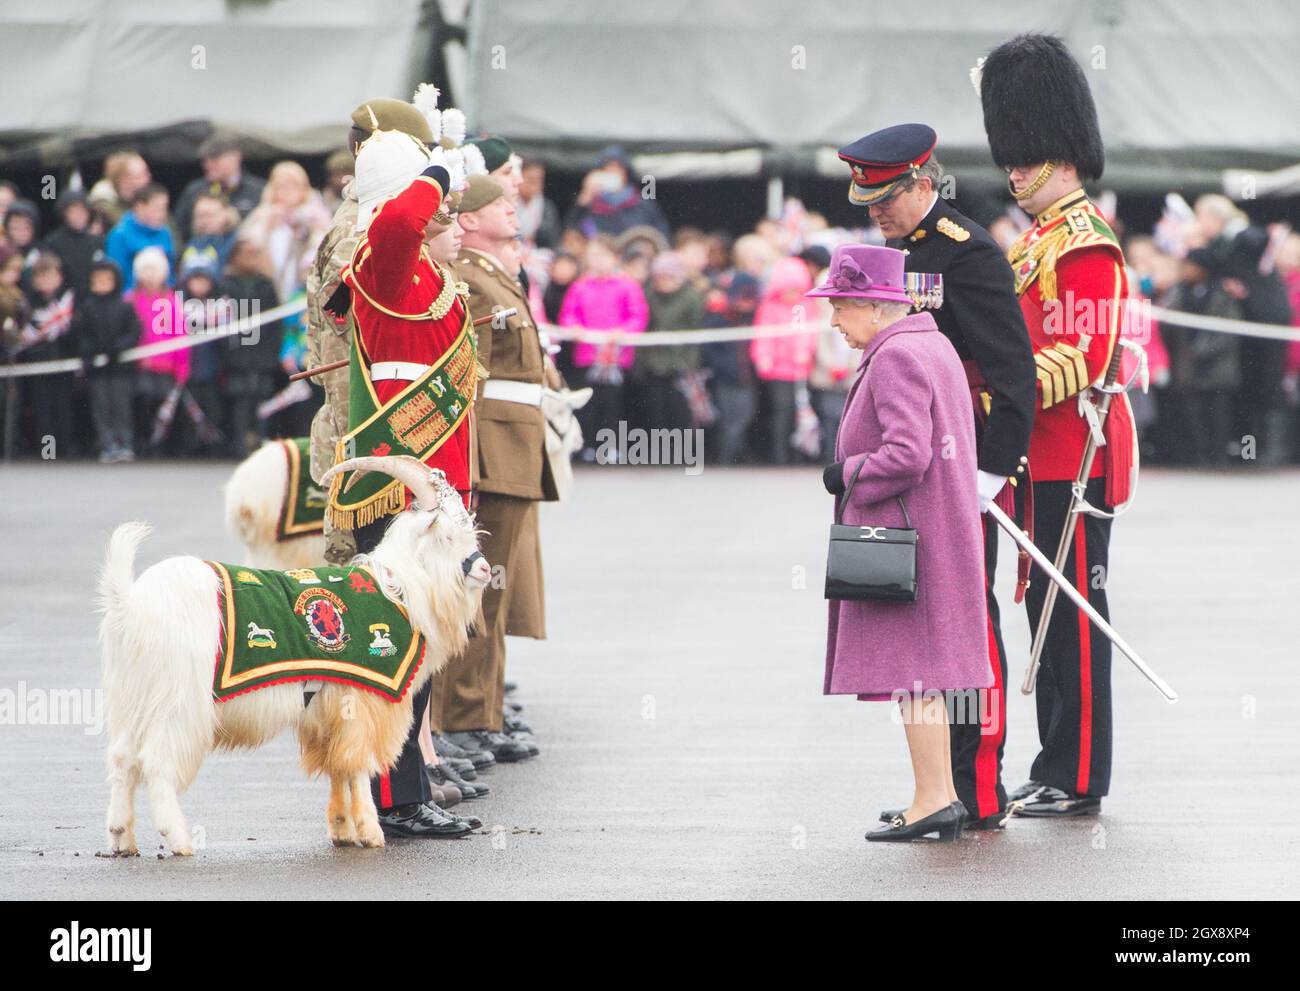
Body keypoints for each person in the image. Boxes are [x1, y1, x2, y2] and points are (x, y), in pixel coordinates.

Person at [838, 122, 1037, 827]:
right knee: (936, 623)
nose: (876, 212)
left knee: (966, 622)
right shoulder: (909, 251)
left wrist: (990, 471)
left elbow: (1014, 374)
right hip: (926, 467)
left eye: (886, 198)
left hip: (963, 465)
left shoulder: (969, 253)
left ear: (924, 184)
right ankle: (942, 787)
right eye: (869, 201)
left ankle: (977, 784)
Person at [981, 32, 1138, 816]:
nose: (1013, 171)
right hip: (1035, 453)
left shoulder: (1086, 244)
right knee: (1045, 606)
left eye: (1026, 156)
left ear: (1063, 154)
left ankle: (1078, 774)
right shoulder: (1037, 239)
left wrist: (998, 393)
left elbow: (1085, 353)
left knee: (1072, 615)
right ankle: (1055, 759)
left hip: (1070, 451)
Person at [324, 126, 477, 838]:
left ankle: (401, 787)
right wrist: (439, 170)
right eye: (436, 207)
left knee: (419, 646)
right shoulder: (384, 258)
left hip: (433, 477)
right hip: (399, 483)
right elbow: (401, 219)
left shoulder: (421, 268)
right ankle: (396, 793)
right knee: (395, 645)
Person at [816, 244, 991, 842]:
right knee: (927, 675)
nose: (834, 320)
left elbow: (906, 453)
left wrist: (848, 473)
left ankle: (933, 800)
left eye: (840, 306)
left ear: (873, 303)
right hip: (937, 530)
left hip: (909, 534)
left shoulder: (896, 356)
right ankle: (936, 795)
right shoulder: (931, 342)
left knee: (914, 673)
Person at [430, 173, 554, 765]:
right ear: (470, 220)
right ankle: (461, 716)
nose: (513, 209)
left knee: (497, 593)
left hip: (515, 441)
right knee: (479, 589)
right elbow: (469, 374)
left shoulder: (492, 274)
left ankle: (481, 712)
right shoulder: (470, 279)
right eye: (499, 204)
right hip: (492, 444)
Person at [303, 95, 437, 567]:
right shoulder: (357, 232)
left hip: (382, 413)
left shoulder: (371, 221)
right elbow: (353, 331)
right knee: (370, 570)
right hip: (364, 418)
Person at [558, 234, 648, 455]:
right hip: (587, 355)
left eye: (601, 255)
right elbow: (568, 314)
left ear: (615, 257)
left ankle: (610, 446)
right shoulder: (580, 286)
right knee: (588, 402)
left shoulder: (627, 285)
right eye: (593, 256)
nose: (596, 261)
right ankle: (587, 446)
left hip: (616, 357)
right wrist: (574, 328)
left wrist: (623, 332)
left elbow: (638, 316)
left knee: (613, 403)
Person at [73, 255, 141, 463]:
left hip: (121, 368)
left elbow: (134, 332)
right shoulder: (87, 307)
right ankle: (107, 443)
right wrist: (92, 352)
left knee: (121, 406)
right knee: (101, 407)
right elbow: (82, 335)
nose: (102, 285)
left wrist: (117, 349)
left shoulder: (125, 306)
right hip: (98, 369)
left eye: (106, 280)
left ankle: (125, 442)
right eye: (98, 280)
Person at [750, 256, 817, 464]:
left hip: (800, 370)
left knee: (801, 414)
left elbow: (807, 332)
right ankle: (780, 455)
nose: (791, 294)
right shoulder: (769, 307)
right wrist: (764, 357)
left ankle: (799, 455)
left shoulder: (804, 306)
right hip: (778, 371)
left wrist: (804, 351)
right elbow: (764, 336)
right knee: (782, 413)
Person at [236, 161, 331, 304]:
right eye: (282, 186)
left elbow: (326, 243)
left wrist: (305, 227)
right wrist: (267, 226)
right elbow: (246, 247)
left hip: (305, 288)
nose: (288, 191)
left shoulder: (316, 214)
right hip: (269, 286)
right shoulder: (263, 214)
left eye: (293, 185)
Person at [18, 255, 77, 456]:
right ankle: (48, 451)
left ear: (59, 278)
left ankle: (64, 448)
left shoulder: (67, 303)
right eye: (41, 278)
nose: (46, 282)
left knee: (63, 407)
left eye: (50, 277)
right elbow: (26, 335)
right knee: (43, 410)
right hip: (39, 363)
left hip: (62, 362)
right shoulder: (29, 305)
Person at [173, 133, 266, 242]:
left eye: (215, 159)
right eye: (205, 160)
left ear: (235, 157)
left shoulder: (258, 190)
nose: (208, 165)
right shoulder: (195, 191)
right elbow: (178, 232)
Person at [564, 145, 670, 239]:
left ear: (626, 172)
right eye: (607, 169)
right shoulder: (590, 207)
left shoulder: (643, 205)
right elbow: (570, 236)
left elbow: (662, 237)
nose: (613, 173)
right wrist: (585, 197)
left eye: (617, 168)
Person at [105, 184, 174, 291]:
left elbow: (170, 275)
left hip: (161, 301)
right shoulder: (120, 236)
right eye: (157, 208)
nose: (163, 214)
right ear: (139, 207)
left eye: (165, 208)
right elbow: (116, 278)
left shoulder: (165, 234)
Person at [39, 190, 102, 299]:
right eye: (72, 212)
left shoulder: (97, 241)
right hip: (63, 300)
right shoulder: (53, 242)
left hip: (91, 300)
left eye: (82, 211)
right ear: (64, 214)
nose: (78, 216)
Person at [517, 158, 561, 249]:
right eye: (531, 180)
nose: (535, 185)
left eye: (539, 180)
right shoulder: (509, 203)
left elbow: (552, 239)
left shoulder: (547, 207)